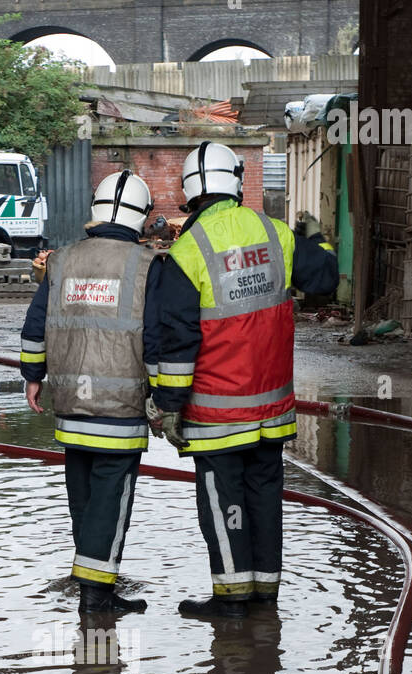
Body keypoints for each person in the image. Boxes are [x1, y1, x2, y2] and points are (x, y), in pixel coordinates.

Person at [150, 141, 339, 617]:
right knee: (265, 498)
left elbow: (176, 340)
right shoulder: (275, 233)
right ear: (235, 184)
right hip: (271, 411)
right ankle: (265, 595)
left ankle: (232, 600)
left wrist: (168, 406)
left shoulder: (188, 250)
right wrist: (319, 241)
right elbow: (325, 280)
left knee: (222, 501)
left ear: (190, 192)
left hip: (216, 413)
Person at [20, 171, 162, 614]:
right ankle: (97, 596)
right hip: (120, 409)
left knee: (82, 495)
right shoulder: (148, 266)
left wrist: (33, 374)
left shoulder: (60, 260)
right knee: (111, 499)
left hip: (70, 405)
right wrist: (163, 397)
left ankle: (88, 578)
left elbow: (34, 325)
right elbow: (157, 339)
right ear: (141, 217)